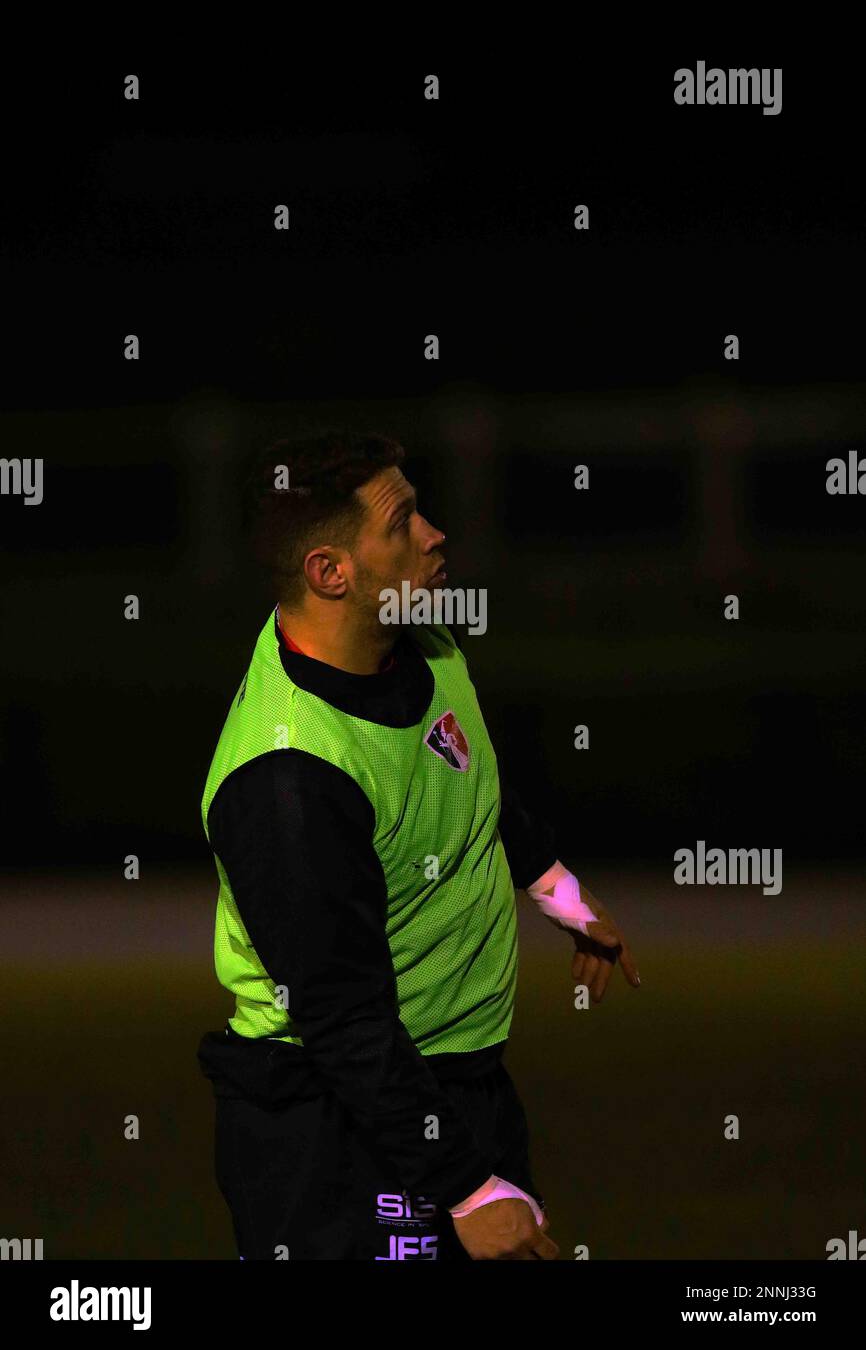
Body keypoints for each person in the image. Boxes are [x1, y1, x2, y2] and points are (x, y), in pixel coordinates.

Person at [196, 428, 640, 1260]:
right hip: (336, 1122)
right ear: (330, 573)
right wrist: (467, 1189)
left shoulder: (420, 647)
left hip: (450, 1085)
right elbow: (341, 1017)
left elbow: (471, 782)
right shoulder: (286, 776)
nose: (434, 534)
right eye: (401, 524)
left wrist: (562, 896)